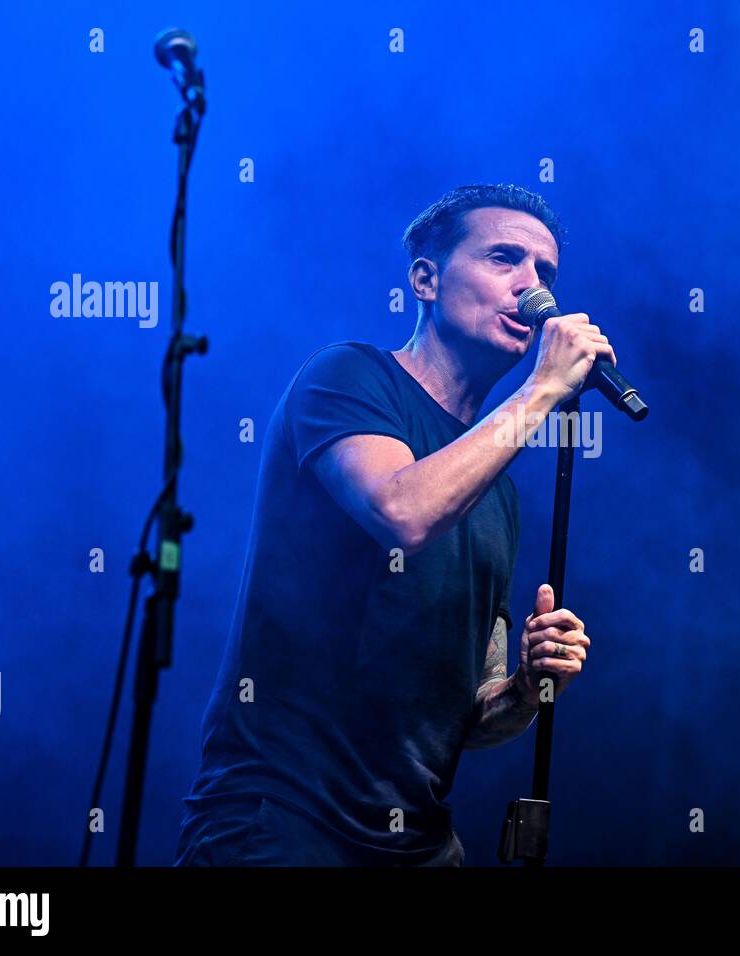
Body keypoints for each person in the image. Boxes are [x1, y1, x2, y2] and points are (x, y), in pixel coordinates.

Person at [174, 183, 616, 866]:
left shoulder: (492, 493)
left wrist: (527, 689)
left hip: (419, 844)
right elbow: (400, 511)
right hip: (284, 823)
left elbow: (470, 713)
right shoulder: (348, 377)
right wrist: (541, 392)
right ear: (425, 279)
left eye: (546, 273)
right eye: (504, 259)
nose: (535, 291)